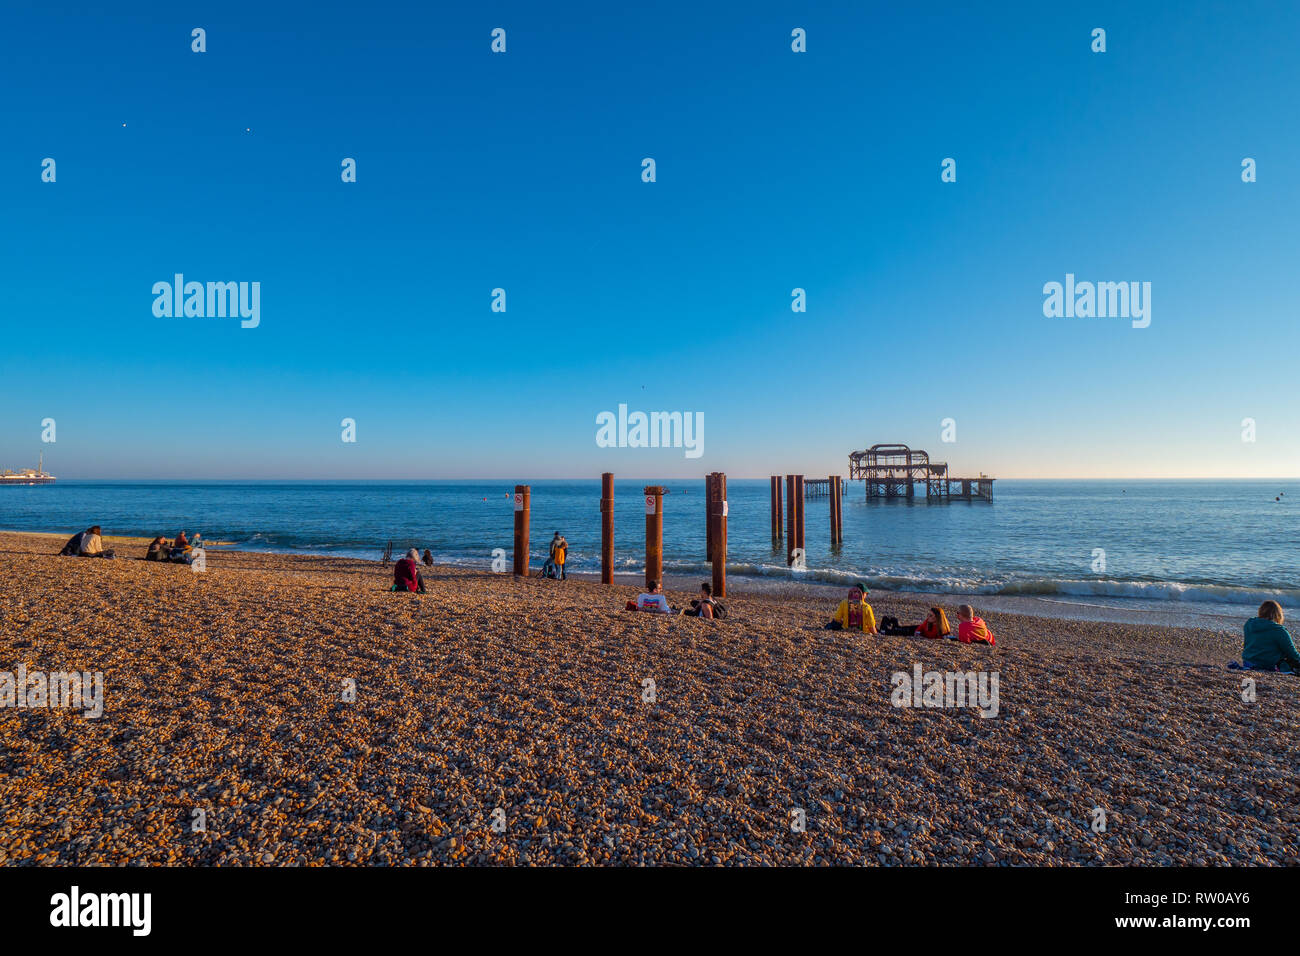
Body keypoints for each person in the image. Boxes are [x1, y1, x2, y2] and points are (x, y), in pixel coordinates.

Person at [1234, 601, 1300, 672]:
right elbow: (1292, 653)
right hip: (1268, 665)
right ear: (1278, 614)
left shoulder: (1249, 624)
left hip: (1248, 662)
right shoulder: (1278, 630)